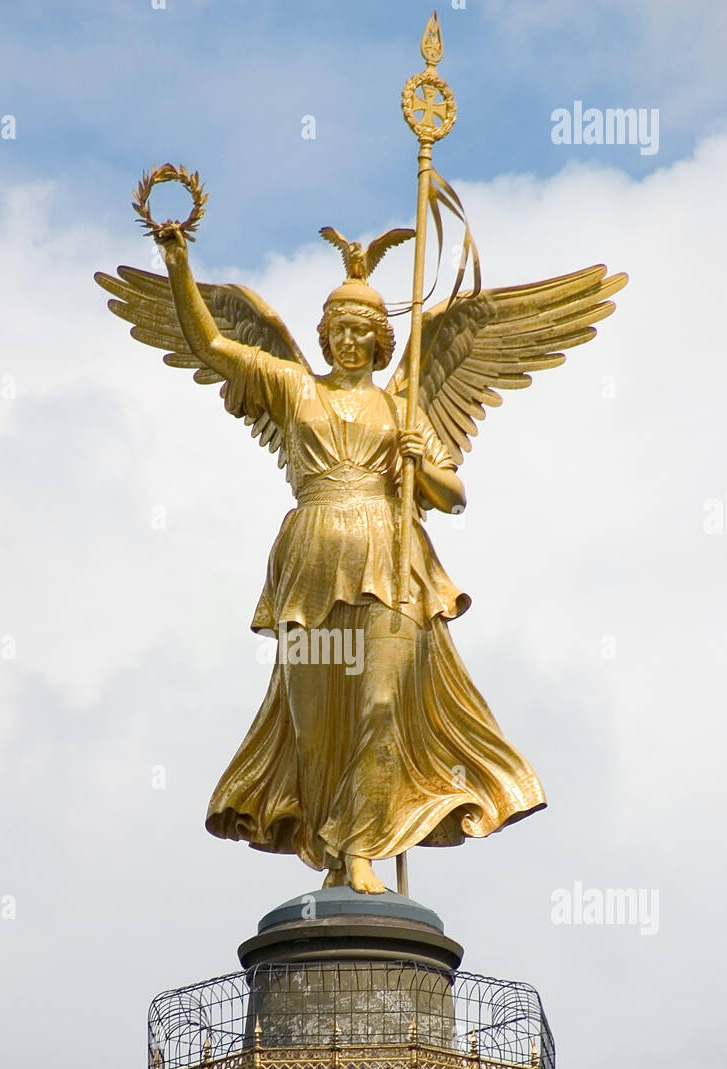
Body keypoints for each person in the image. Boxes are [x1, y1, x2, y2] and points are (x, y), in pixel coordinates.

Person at [161, 233, 546, 893]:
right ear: (324, 335)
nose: (346, 340)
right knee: (314, 725)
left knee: (382, 703)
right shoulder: (290, 387)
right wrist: (178, 267)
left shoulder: (402, 406)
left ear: (378, 341)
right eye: (336, 328)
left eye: (359, 330)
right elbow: (211, 347)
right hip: (312, 556)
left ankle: (359, 845)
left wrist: (419, 459)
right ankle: (333, 855)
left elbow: (452, 498)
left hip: (393, 559)